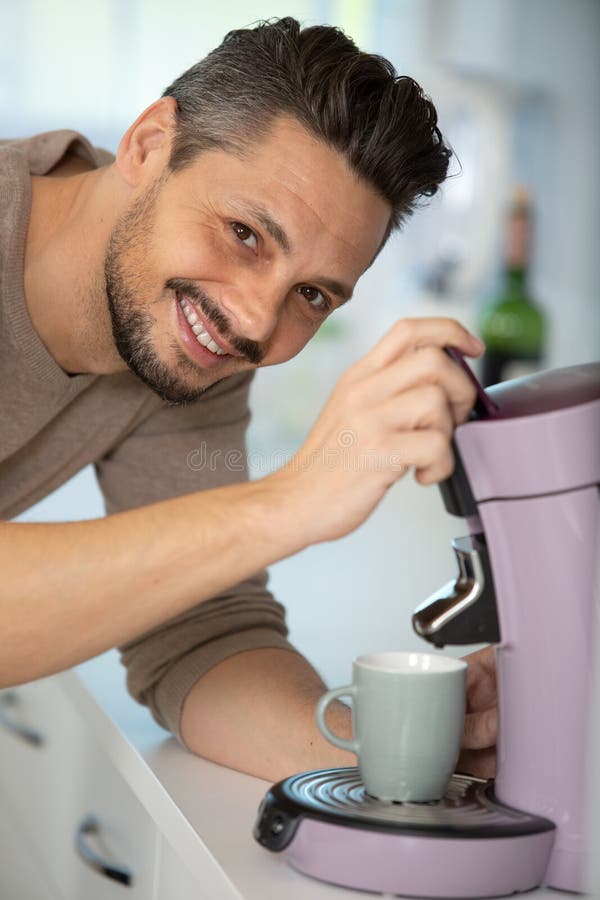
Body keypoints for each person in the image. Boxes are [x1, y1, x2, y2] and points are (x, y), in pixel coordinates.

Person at [0, 18, 496, 781]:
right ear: (147, 145)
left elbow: (200, 631)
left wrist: (397, 752)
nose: (259, 323)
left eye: (312, 293)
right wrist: (289, 500)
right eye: (244, 233)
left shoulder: (183, 346)